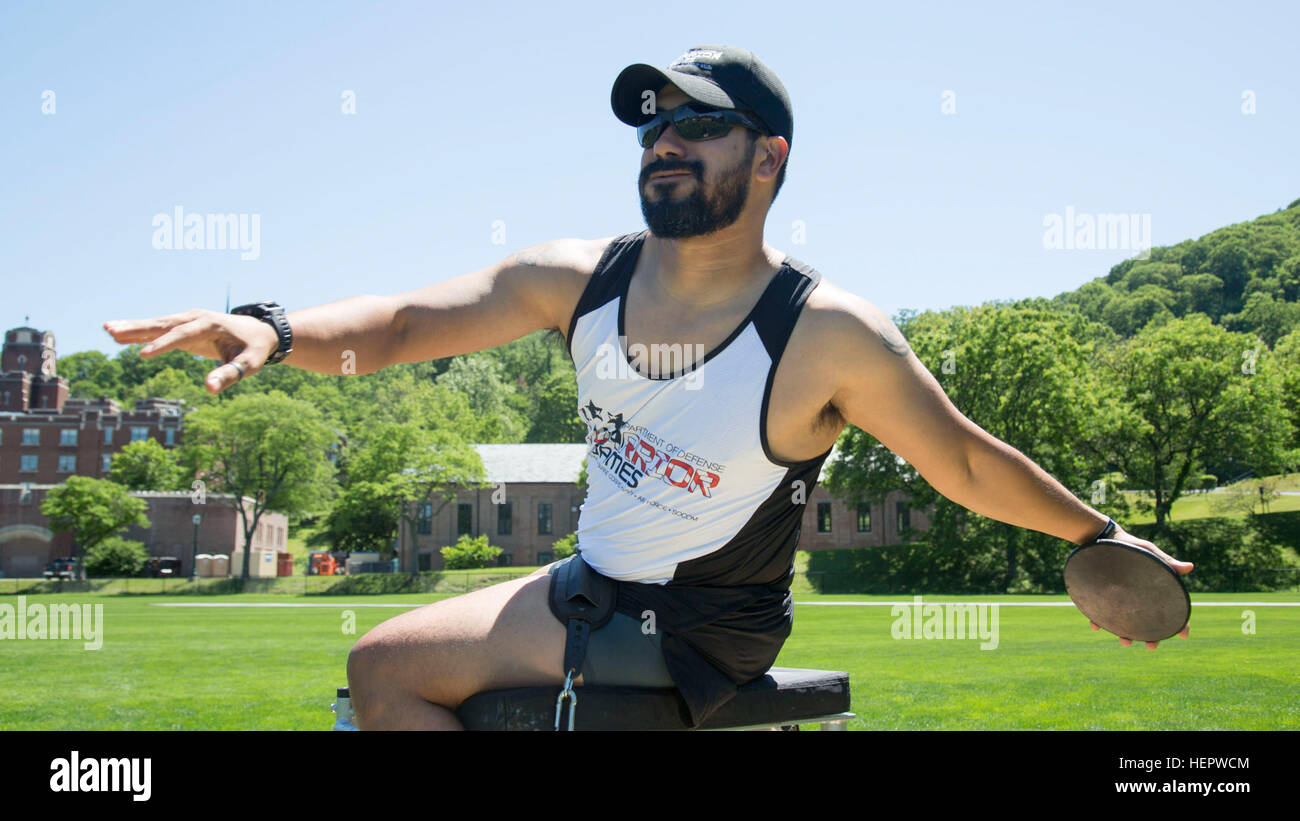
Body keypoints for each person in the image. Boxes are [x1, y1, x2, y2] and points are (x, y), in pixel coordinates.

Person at [103, 44, 1192, 730]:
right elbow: (401, 325)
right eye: (652, 124)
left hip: (708, 624)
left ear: (766, 157)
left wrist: (1099, 534)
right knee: (380, 661)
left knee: (386, 668)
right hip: (593, 581)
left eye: (697, 123)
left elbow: (958, 458)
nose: (663, 141)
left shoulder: (824, 331)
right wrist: (273, 324)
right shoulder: (581, 278)